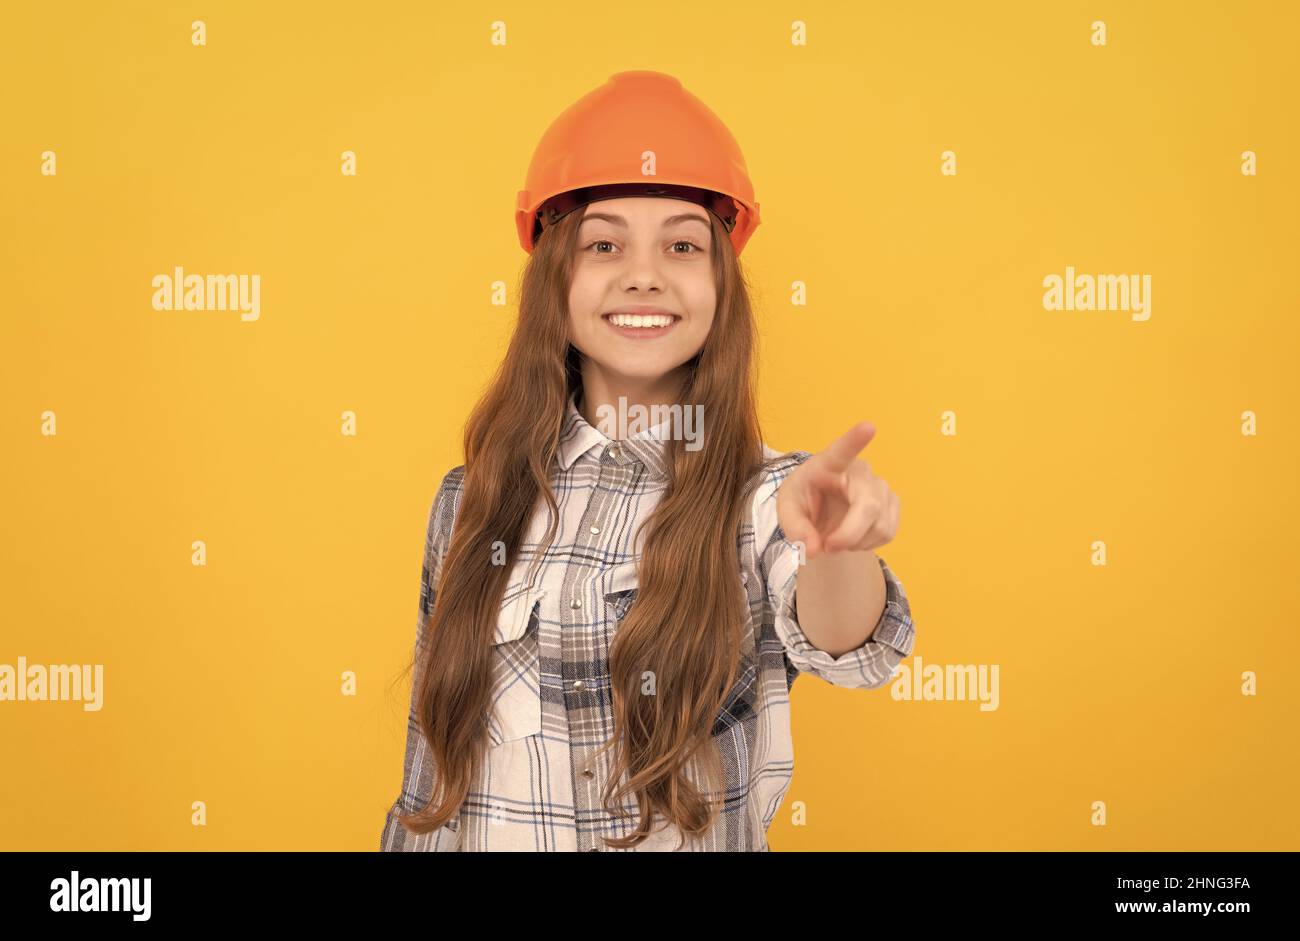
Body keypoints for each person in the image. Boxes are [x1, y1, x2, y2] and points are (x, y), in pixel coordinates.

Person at [380, 71, 915, 852]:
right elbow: (428, 783)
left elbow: (850, 648)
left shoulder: (767, 499)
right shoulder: (471, 501)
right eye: (604, 243)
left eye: (681, 245)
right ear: (554, 274)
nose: (643, 272)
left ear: (719, 284)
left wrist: (838, 549)